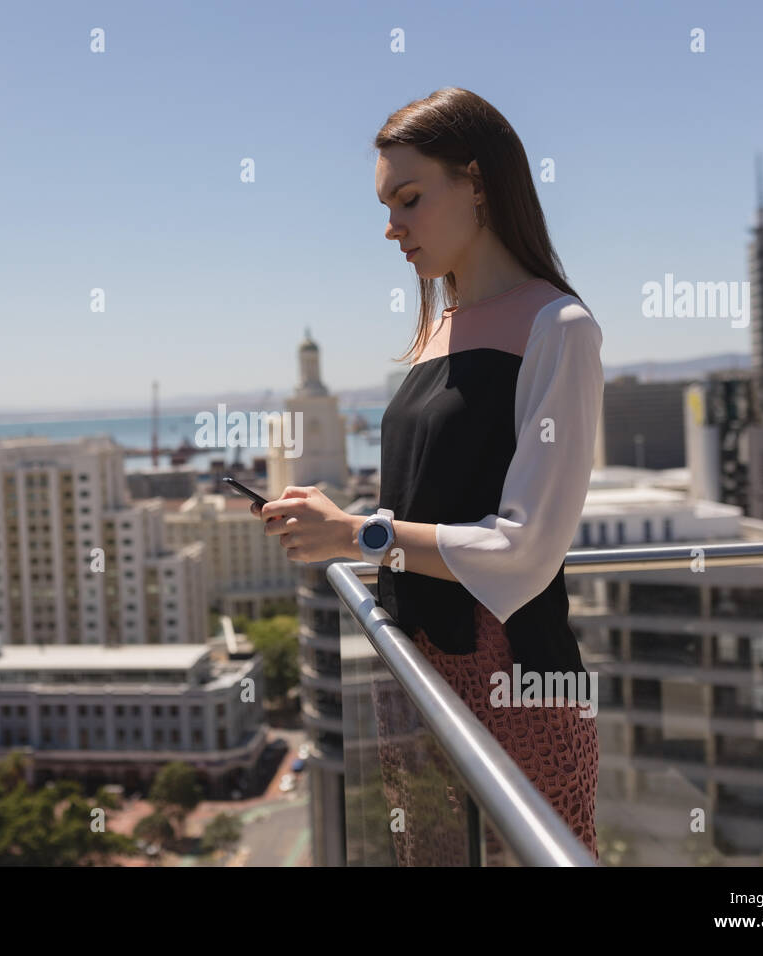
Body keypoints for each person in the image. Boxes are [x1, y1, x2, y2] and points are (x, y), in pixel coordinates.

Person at [255, 88, 602, 864]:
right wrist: (341, 517)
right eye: (386, 206)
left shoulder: (559, 328)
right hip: (418, 675)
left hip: (517, 679)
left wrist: (355, 534)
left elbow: (527, 547)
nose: (392, 227)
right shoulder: (433, 335)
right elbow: (434, 499)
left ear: (477, 182)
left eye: (409, 199)